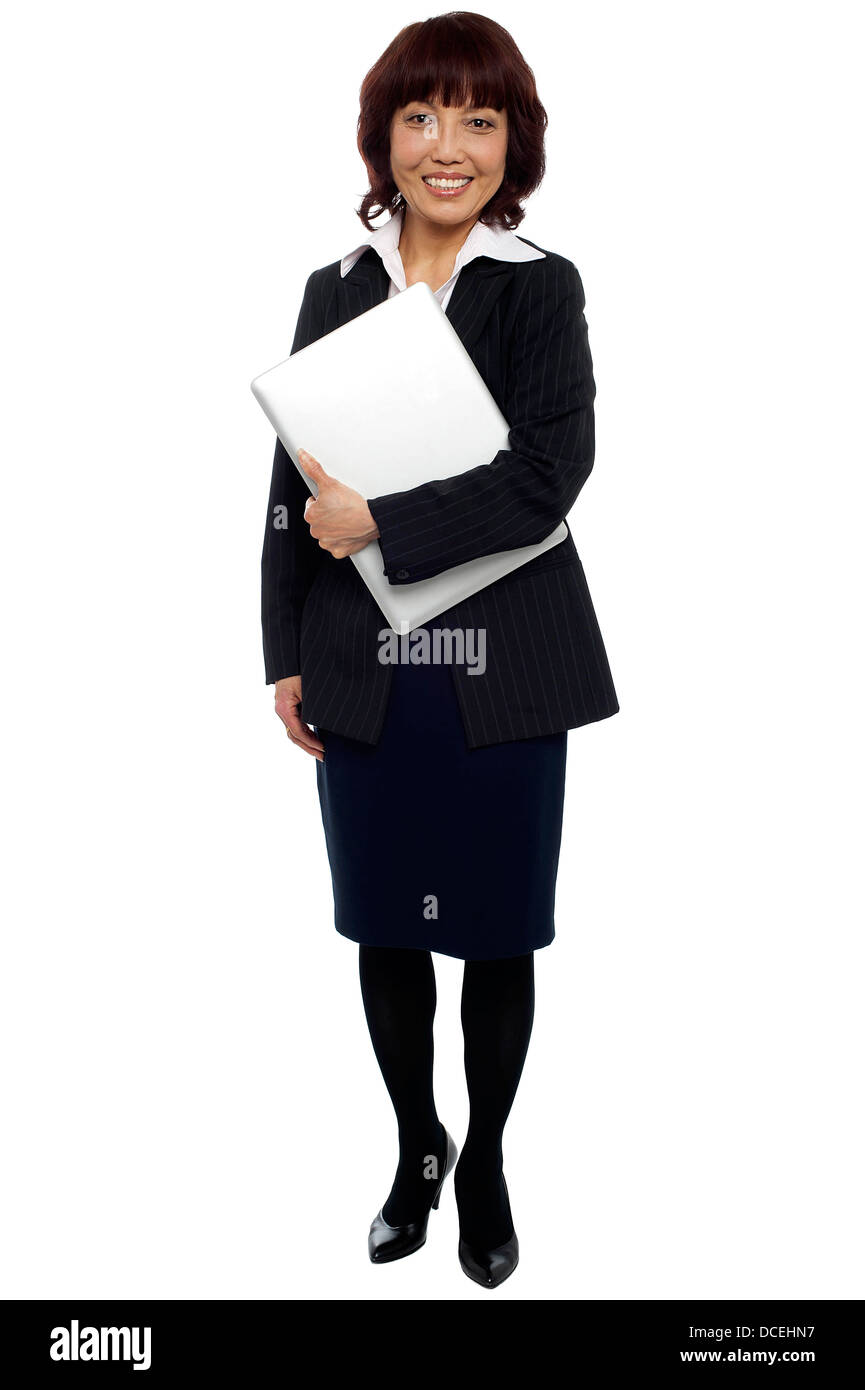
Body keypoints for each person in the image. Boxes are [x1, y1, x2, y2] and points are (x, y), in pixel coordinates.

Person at [261, 12, 619, 1289]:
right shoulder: (333, 289)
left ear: (512, 140)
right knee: (386, 927)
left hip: (502, 660)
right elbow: (287, 488)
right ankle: (416, 1147)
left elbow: (546, 477)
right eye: (420, 117)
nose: (446, 144)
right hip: (361, 661)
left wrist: (386, 521)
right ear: (383, 138)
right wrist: (283, 651)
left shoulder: (541, 284)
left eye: (478, 117)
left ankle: (487, 1160)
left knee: (497, 932)